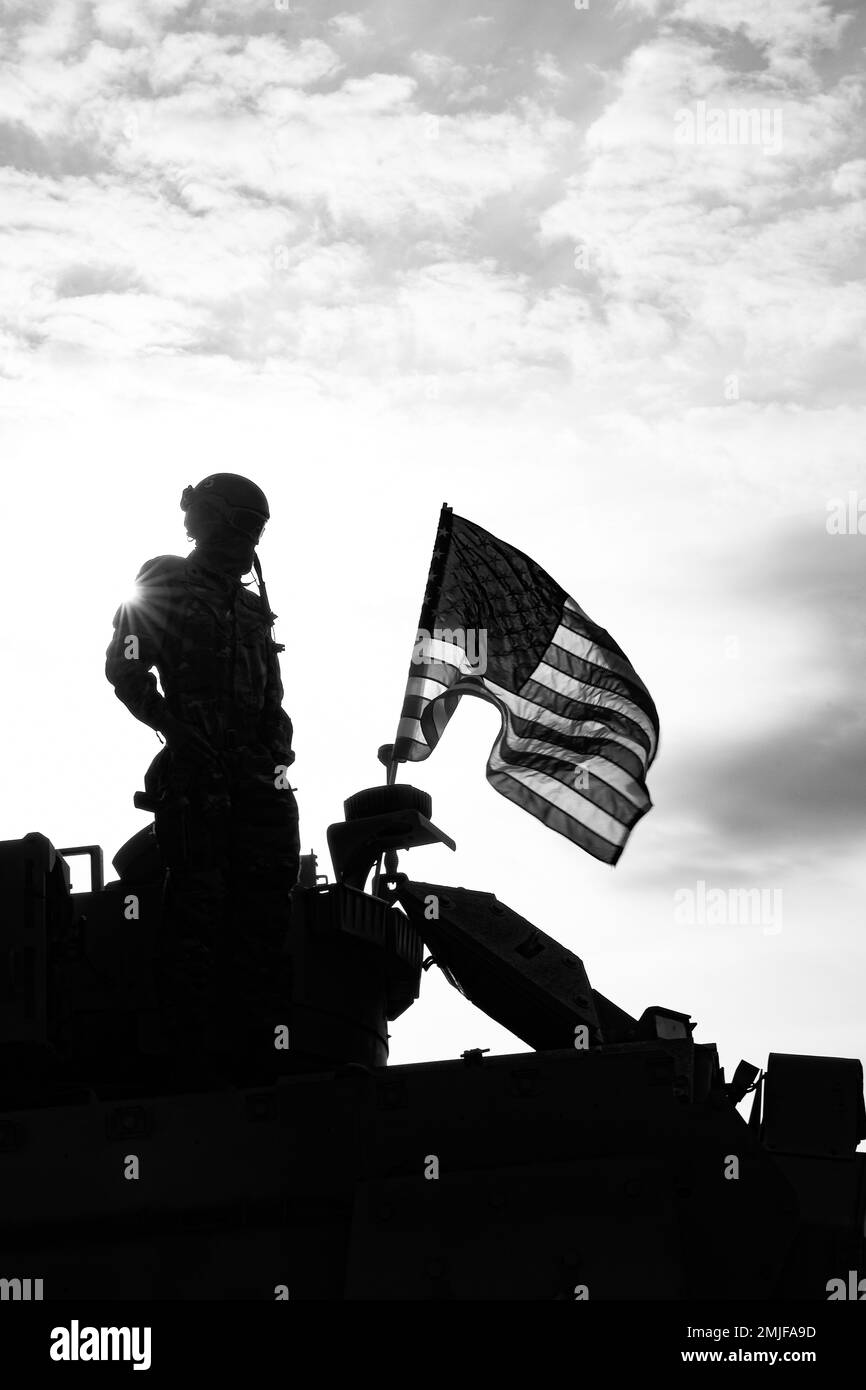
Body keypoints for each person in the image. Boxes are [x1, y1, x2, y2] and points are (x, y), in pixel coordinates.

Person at [105, 474, 300, 1079]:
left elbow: (271, 691)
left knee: (266, 912)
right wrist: (174, 728)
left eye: (258, 528)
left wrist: (277, 747)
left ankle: (258, 1053)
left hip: (257, 778)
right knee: (199, 909)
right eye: (244, 523)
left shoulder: (251, 604)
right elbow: (126, 667)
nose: (251, 539)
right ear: (215, 519)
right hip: (199, 776)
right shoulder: (165, 578)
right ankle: (188, 1059)